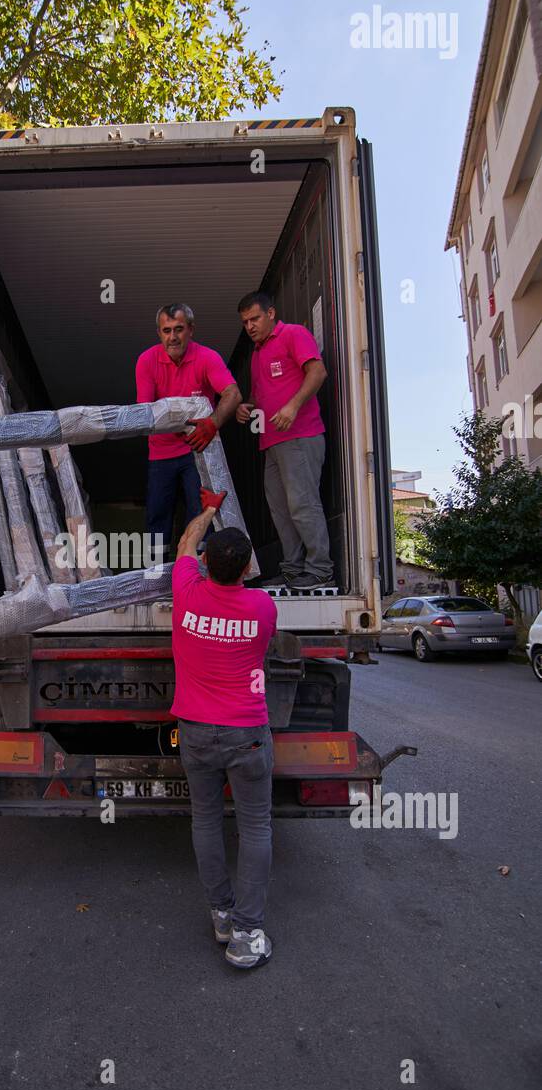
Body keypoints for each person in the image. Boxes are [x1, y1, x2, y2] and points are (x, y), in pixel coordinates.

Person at [171, 489, 278, 969]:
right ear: (247, 567)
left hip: (195, 732)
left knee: (206, 820)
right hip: (247, 734)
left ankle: (221, 914)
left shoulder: (186, 590)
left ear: (204, 563)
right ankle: (247, 933)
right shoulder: (262, 607)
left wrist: (209, 509)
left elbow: (185, 544)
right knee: (254, 826)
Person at [236, 290, 334, 590]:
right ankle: (293, 570)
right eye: (245, 322)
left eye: (254, 319)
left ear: (271, 313)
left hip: (300, 436)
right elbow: (258, 395)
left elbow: (318, 372)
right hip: (271, 443)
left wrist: (292, 406)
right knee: (280, 510)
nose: (250, 326)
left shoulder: (293, 334)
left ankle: (320, 570)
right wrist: (245, 406)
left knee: (303, 505)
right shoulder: (257, 353)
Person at [135, 303, 241, 561]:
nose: (173, 337)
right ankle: (157, 573)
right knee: (158, 515)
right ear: (159, 333)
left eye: (179, 329)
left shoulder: (207, 357)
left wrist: (212, 423)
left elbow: (233, 394)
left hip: (199, 450)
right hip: (160, 453)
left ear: (191, 330)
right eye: (166, 330)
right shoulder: (147, 360)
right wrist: (181, 420)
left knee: (201, 513)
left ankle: (197, 570)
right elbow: (144, 413)